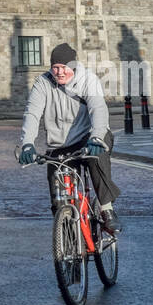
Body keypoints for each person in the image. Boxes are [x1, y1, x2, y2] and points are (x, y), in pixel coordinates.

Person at [16, 42, 122, 232]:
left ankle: (107, 209)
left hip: (89, 139)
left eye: (64, 67)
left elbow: (98, 108)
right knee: (57, 198)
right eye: (55, 67)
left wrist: (97, 136)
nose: (60, 72)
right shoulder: (43, 83)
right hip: (60, 144)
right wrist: (27, 144)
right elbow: (32, 114)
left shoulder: (88, 80)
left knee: (97, 157)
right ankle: (66, 240)